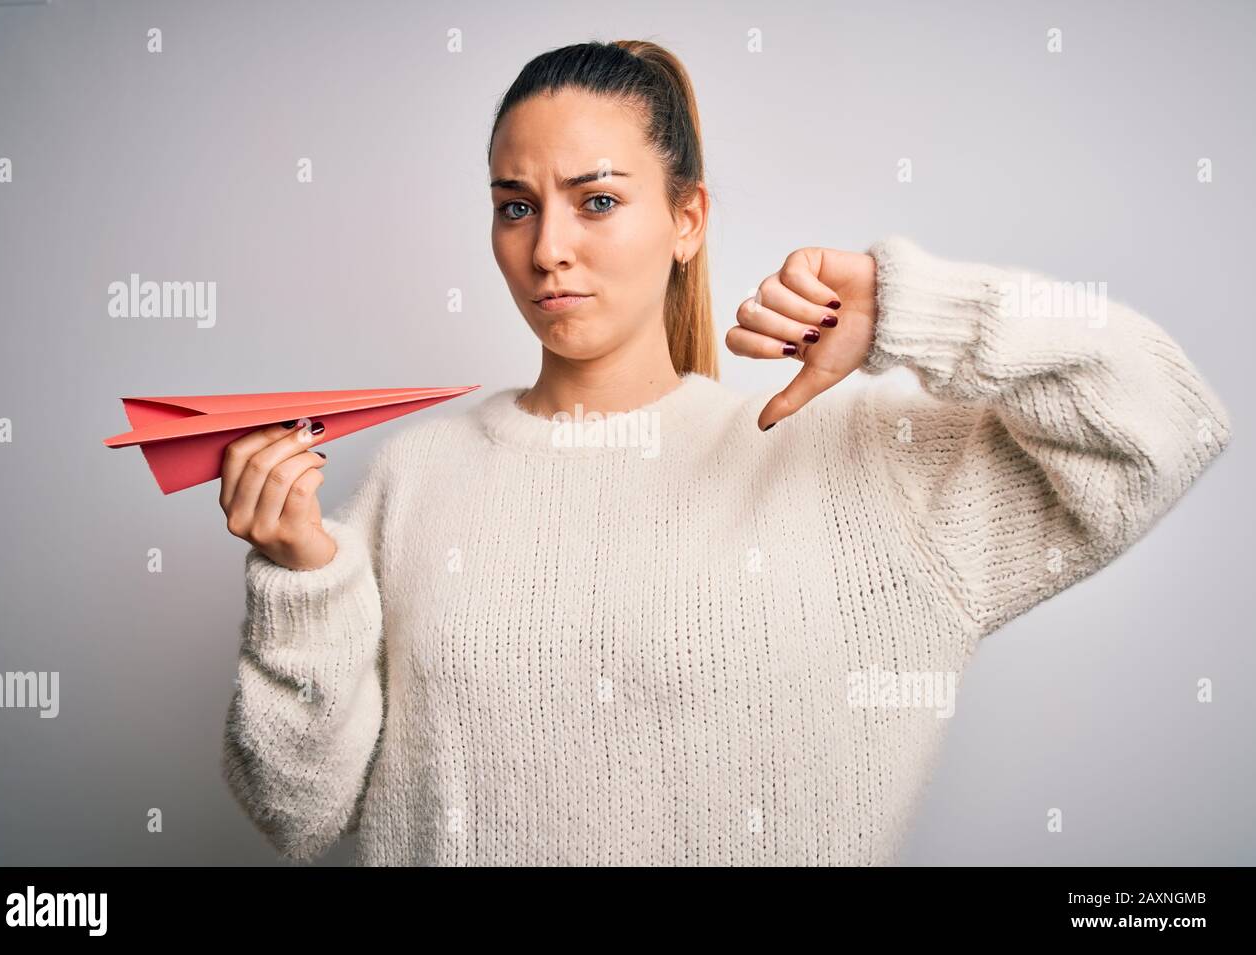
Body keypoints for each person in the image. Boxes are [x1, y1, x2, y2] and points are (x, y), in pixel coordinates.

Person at [218, 40, 1231, 865]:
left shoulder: (845, 469)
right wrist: (304, 580)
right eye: (515, 204)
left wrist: (909, 307)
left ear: (687, 219)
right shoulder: (416, 479)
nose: (547, 247)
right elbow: (299, 815)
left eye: (598, 199)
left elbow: (1164, 423)